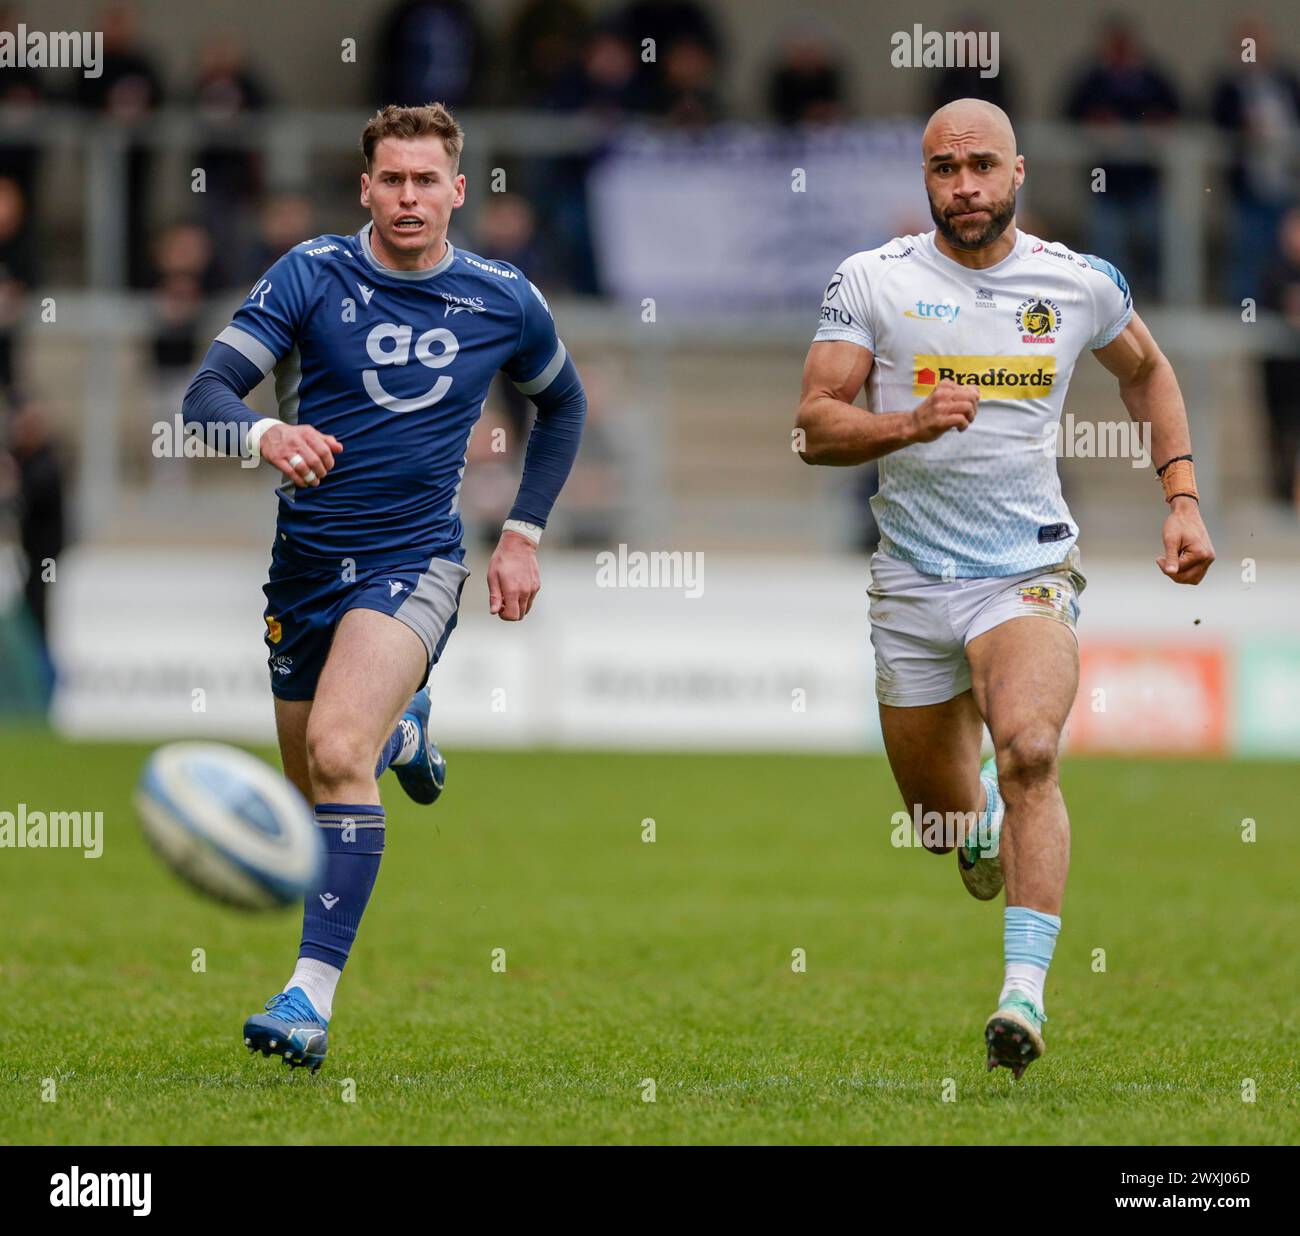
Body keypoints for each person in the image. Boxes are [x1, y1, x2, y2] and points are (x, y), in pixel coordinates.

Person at [794, 99, 1214, 1079]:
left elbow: (1148, 375)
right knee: (938, 824)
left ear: (1018, 171)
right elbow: (812, 426)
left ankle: (1021, 996)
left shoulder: (1074, 283)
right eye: (945, 168)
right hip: (909, 581)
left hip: (1025, 567)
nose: (965, 185)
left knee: (1029, 750)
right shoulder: (873, 282)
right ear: (925, 177)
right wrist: (908, 425)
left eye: (982, 165)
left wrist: (1183, 497)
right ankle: (970, 819)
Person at [181, 103, 587, 1072]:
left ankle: (306, 1002)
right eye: (391, 180)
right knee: (314, 792)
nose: (409, 197)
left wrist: (521, 533)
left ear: (458, 189)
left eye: (426, 180)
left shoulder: (501, 298)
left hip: (416, 562)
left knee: (334, 748)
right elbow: (203, 396)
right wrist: (264, 435)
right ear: (365, 187)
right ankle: (400, 725)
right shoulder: (308, 276)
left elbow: (560, 403)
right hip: (304, 572)